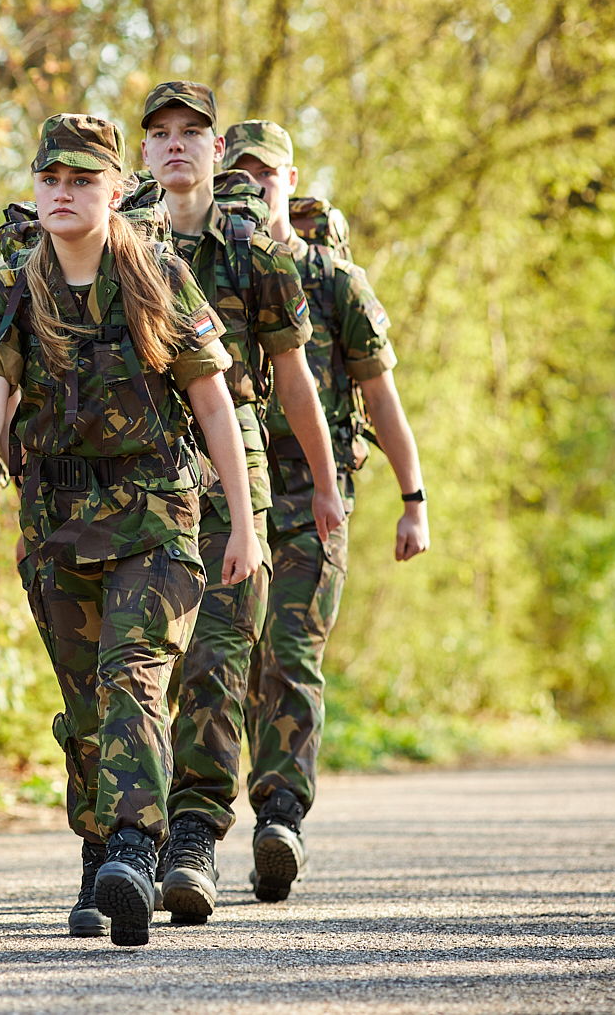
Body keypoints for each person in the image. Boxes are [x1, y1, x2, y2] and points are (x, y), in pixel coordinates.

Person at [0, 113, 258, 947]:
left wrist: (243, 521)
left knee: (134, 677)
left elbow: (213, 403)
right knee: (86, 706)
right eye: (51, 179)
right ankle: (100, 851)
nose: (63, 193)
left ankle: (134, 844)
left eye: (83, 180)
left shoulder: (158, 276)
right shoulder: (10, 288)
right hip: (57, 527)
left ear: (117, 190)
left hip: (156, 517)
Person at [135, 81, 344, 925]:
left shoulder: (261, 252)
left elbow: (295, 382)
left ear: (217, 152)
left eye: (194, 133)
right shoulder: (120, 243)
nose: (177, 145)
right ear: (144, 152)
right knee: (149, 670)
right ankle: (123, 835)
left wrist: (326, 484)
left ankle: (195, 833)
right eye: (161, 134)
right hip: (140, 481)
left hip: (235, 477)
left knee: (222, 657)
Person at [224, 118, 431, 902]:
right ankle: (196, 821)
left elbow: (382, 396)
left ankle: (280, 814)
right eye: (236, 175)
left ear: (288, 180)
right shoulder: (210, 269)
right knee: (225, 659)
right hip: (221, 496)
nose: (251, 187)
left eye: (264, 175)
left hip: (315, 500)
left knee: (291, 653)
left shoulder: (335, 281)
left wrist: (413, 499)